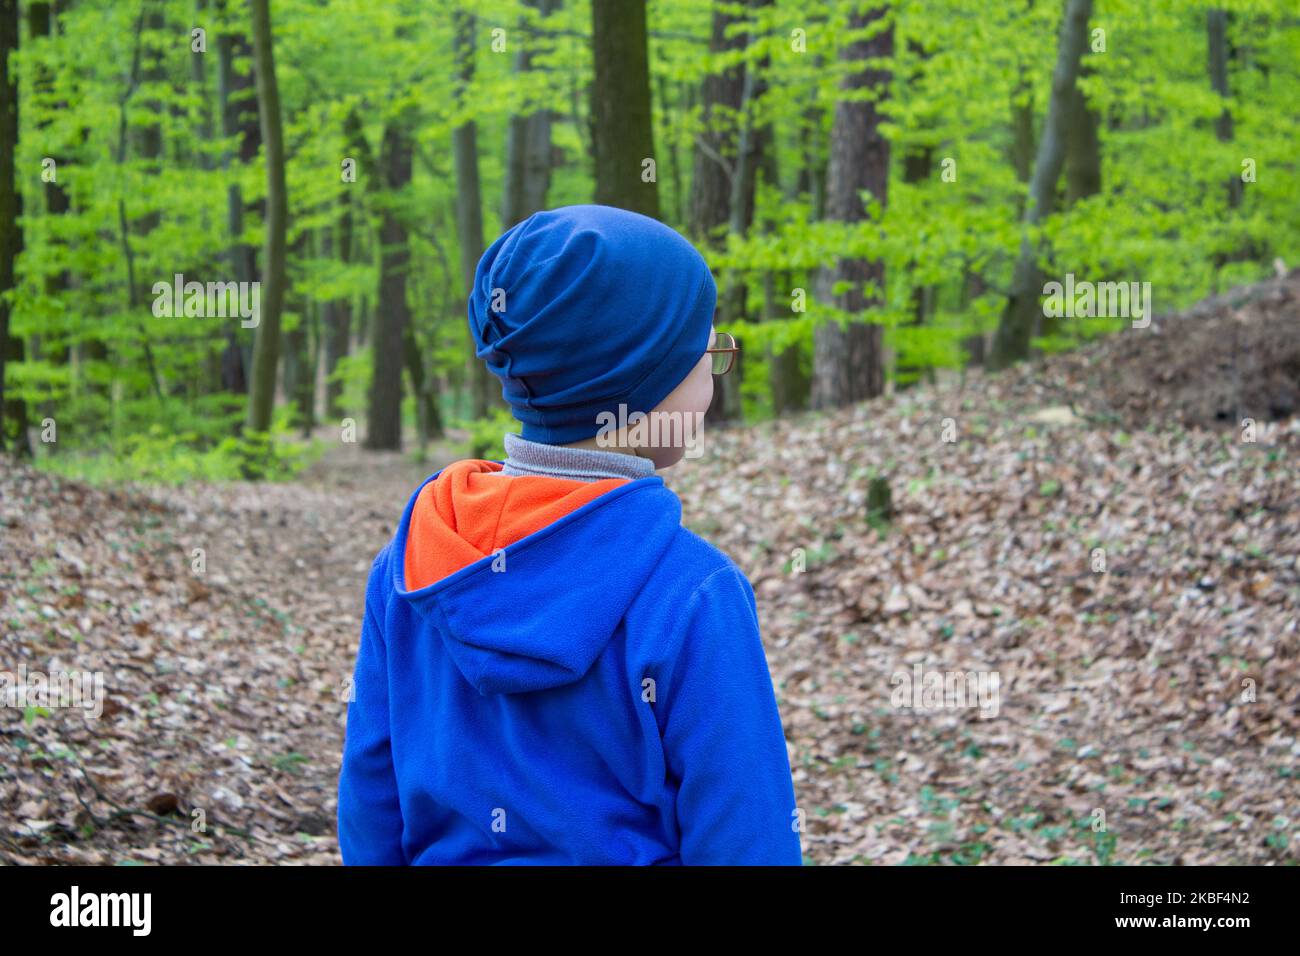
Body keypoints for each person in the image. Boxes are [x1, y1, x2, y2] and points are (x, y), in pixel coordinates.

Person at [337, 204, 801, 865]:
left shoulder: (413, 564)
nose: (712, 374)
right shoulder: (693, 592)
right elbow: (746, 835)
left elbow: (369, 799)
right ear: (648, 380)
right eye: (705, 353)